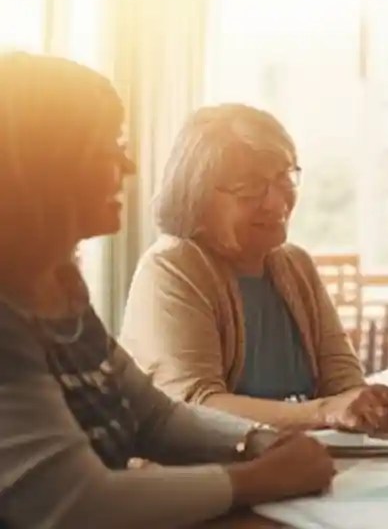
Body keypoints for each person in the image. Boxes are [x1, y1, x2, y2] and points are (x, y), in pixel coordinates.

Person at [0, 54, 335, 528]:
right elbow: (74, 504)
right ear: (41, 161)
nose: (128, 163)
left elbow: (155, 418)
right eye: (107, 146)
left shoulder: (60, 288)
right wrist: (260, 477)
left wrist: (259, 441)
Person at [120, 104, 388, 435]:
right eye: (250, 187)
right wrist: (324, 411)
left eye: (284, 177)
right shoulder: (171, 268)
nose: (277, 201)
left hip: (300, 471)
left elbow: (343, 383)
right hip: (211, 480)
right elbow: (195, 405)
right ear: (195, 192)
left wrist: (369, 407)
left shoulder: (294, 265)